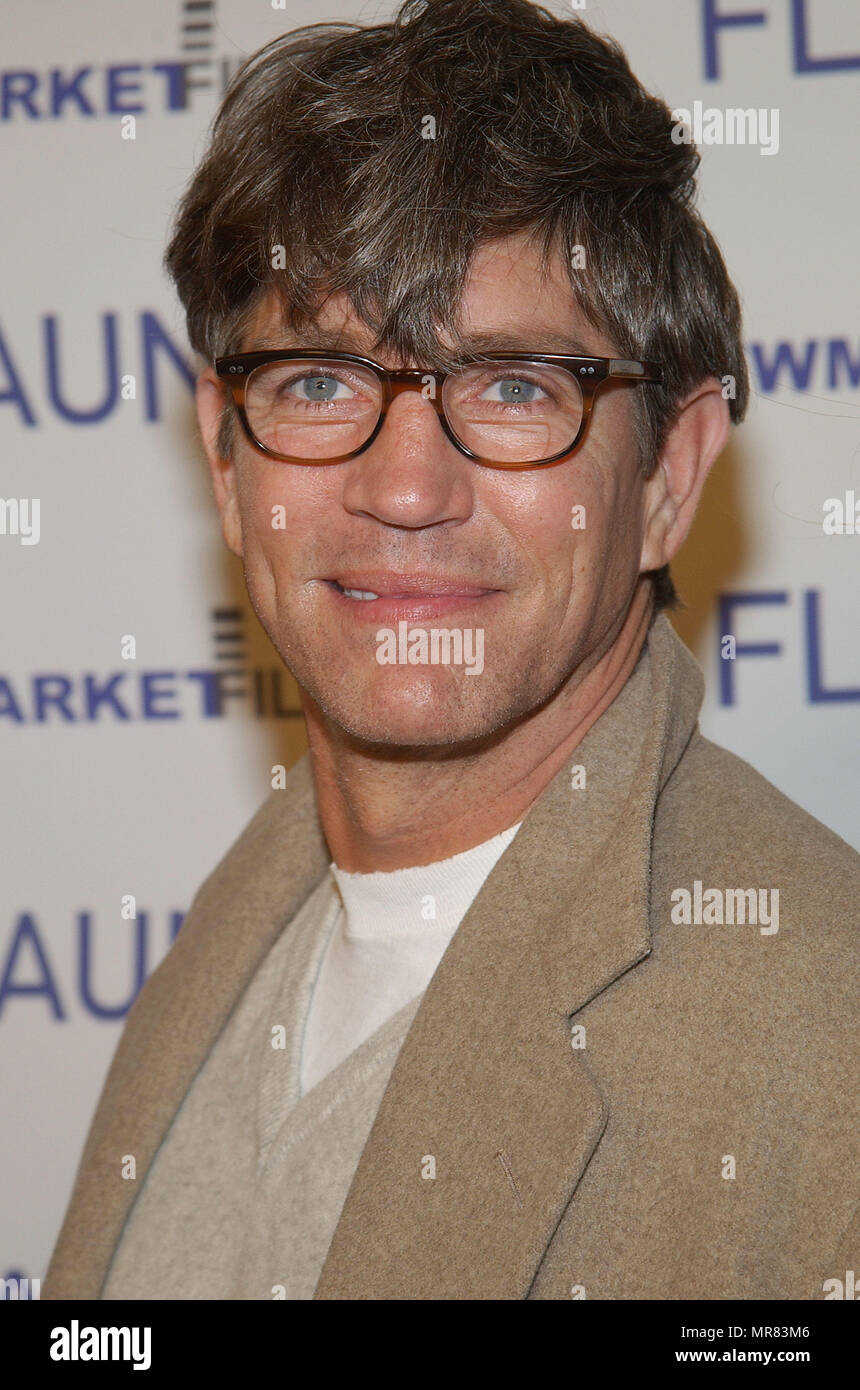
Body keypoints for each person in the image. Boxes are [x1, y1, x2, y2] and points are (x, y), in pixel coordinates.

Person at [44, 0, 858, 1300]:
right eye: (318, 379)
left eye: (516, 386)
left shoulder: (831, 1052)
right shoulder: (227, 939)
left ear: (669, 476)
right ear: (222, 448)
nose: (405, 486)